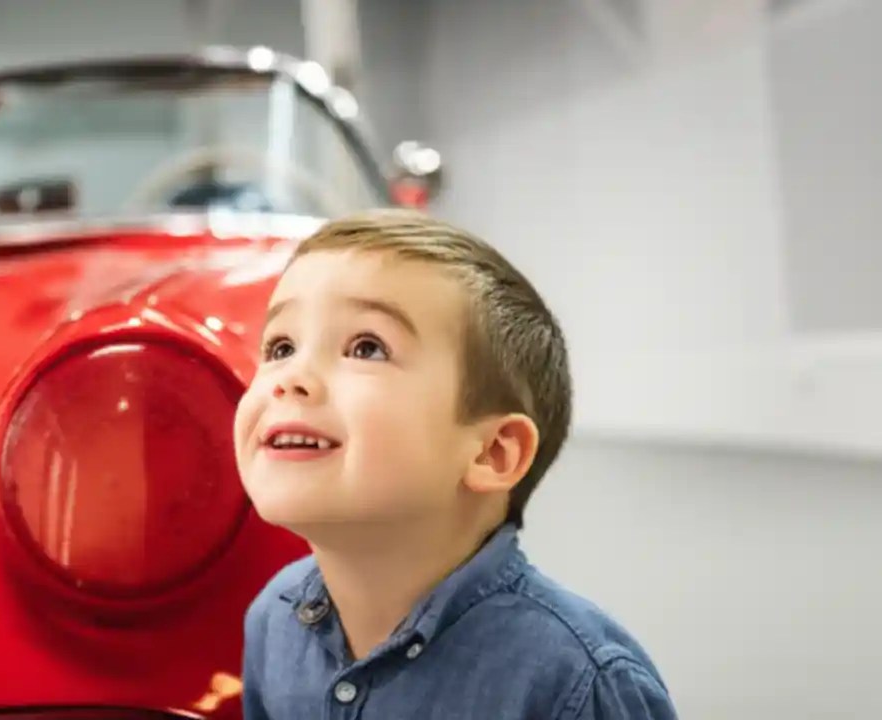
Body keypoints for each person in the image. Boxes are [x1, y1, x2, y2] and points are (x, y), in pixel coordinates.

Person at [234, 209, 677, 719]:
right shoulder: (275, 620)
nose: (289, 378)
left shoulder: (575, 681)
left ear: (492, 452)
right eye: (280, 346)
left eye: (366, 347)